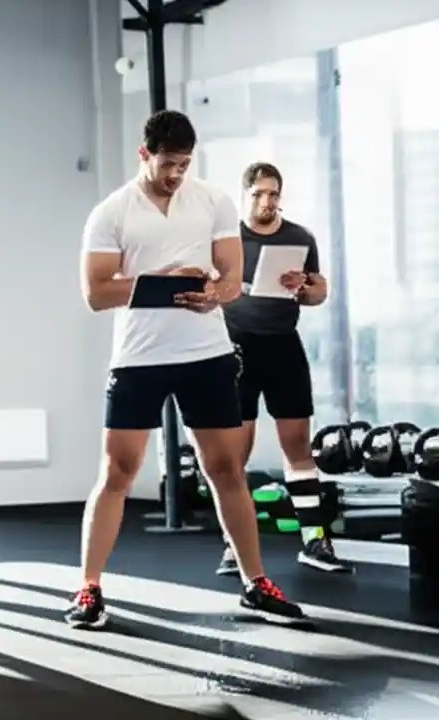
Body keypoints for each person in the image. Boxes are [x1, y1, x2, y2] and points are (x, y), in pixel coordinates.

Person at [70, 110, 306, 629]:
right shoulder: (111, 212)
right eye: (168, 163)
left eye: (184, 163)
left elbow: (231, 277)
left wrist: (212, 296)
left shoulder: (214, 201)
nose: (176, 172)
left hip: (207, 353)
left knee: (227, 471)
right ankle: (88, 589)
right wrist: (158, 281)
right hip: (139, 357)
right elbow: (95, 293)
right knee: (116, 474)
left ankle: (255, 583)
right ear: (144, 155)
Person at [216, 162, 347, 575]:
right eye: (258, 194)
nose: (266, 201)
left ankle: (314, 542)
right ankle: (233, 547)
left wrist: (305, 288)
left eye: (273, 194)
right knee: (236, 452)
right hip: (237, 348)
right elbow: (209, 287)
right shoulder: (227, 239)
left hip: (284, 347)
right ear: (245, 195)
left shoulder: (299, 237)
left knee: (298, 446)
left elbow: (318, 291)